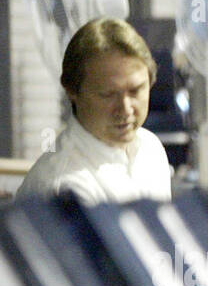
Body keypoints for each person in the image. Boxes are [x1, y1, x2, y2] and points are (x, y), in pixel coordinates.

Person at [17, 17, 172, 204]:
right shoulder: (63, 187)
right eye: (108, 94)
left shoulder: (150, 148)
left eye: (135, 90)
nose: (125, 108)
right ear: (72, 91)